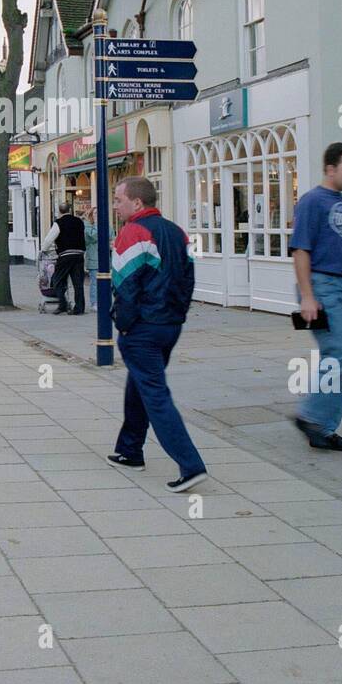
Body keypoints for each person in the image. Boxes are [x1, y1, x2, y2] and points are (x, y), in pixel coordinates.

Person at [106, 176, 207, 493]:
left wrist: (124, 324)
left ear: (137, 203)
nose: (115, 205)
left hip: (142, 328)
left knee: (155, 395)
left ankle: (190, 465)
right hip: (169, 325)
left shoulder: (133, 232)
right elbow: (188, 278)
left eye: (119, 199)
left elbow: (124, 286)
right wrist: (177, 315)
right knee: (140, 383)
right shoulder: (176, 232)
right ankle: (129, 450)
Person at [290, 142, 342, 451]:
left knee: (339, 357)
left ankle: (322, 429)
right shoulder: (312, 201)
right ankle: (312, 417)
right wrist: (307, 296)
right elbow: (301, 250)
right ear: (330, 169)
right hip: (323, 287)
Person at [43, 202, 85, 315]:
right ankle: (79, 308)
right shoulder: (79, 222)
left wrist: (43, 249)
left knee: (57, 280)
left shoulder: (59, 223)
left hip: (65, 255)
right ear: (70, 210)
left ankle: (63, 304)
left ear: (60, 211)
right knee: (78, 283)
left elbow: (48, 239)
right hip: (79, 255)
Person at [81, 201, 100, 313]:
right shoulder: (87, 226)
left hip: (106, 258)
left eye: (99, 213)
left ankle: (105, 301)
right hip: (93, 258)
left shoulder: (105, 225)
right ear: (91, 215)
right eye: (96, 213)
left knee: (107, 282)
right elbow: (93, 237)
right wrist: (97, 224)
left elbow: (112, 237)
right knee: (95, 282)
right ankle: (94, 302)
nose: (97, 215)